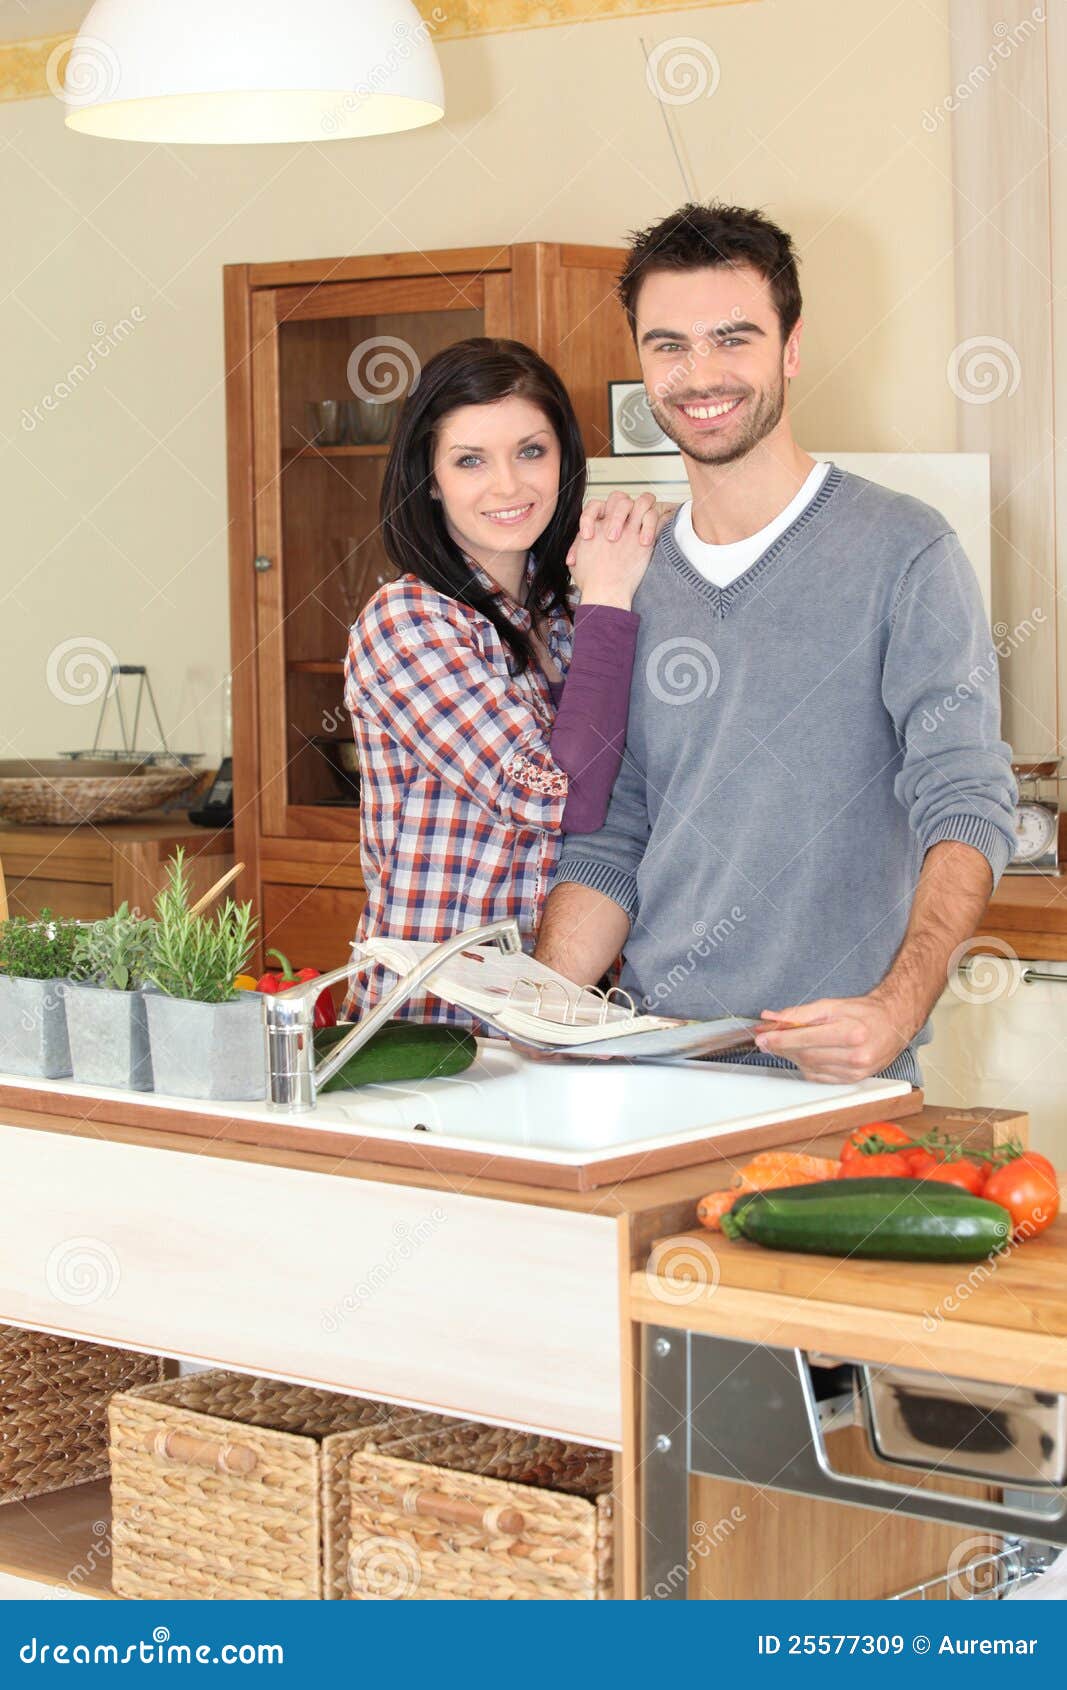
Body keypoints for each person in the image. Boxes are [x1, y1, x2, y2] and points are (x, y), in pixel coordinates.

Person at [535, 202, 1017, 1086]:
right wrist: (539, 1010)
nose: (699, 373)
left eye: (733, 337)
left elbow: (965, 800)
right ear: (640, 361)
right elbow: (614, 835)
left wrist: (895, 1009)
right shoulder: (630, 577)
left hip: (838, 1073)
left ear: (790, 350)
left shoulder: (903, 549)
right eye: (668, 344)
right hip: (657, 1065)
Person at [341, 337, 656, 1024]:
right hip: (433, 1029)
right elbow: (564, 799)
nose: (508, 486)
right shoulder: (408, 621)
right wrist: (608, 596)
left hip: (566, 1014)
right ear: (429, 478)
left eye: (530, 451)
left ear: (564, 457)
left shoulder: (569, 619)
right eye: (469, 461)